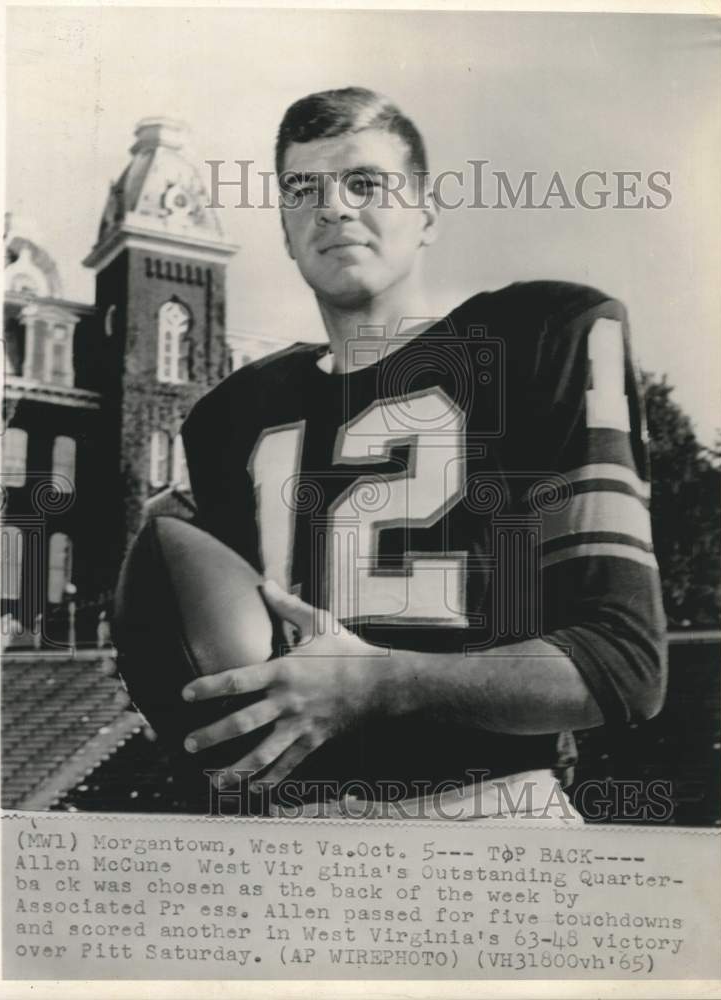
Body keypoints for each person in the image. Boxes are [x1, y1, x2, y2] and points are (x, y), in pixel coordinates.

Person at [178, 87, 666, 821]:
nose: (333, 206)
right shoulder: (230, 417)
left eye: (364, 182)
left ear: (427, 213)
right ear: (283, 229)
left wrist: (380, 683)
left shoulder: (540, 336)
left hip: (485, 816)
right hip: (292, 836)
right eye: (302, 190)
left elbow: (622, 665)